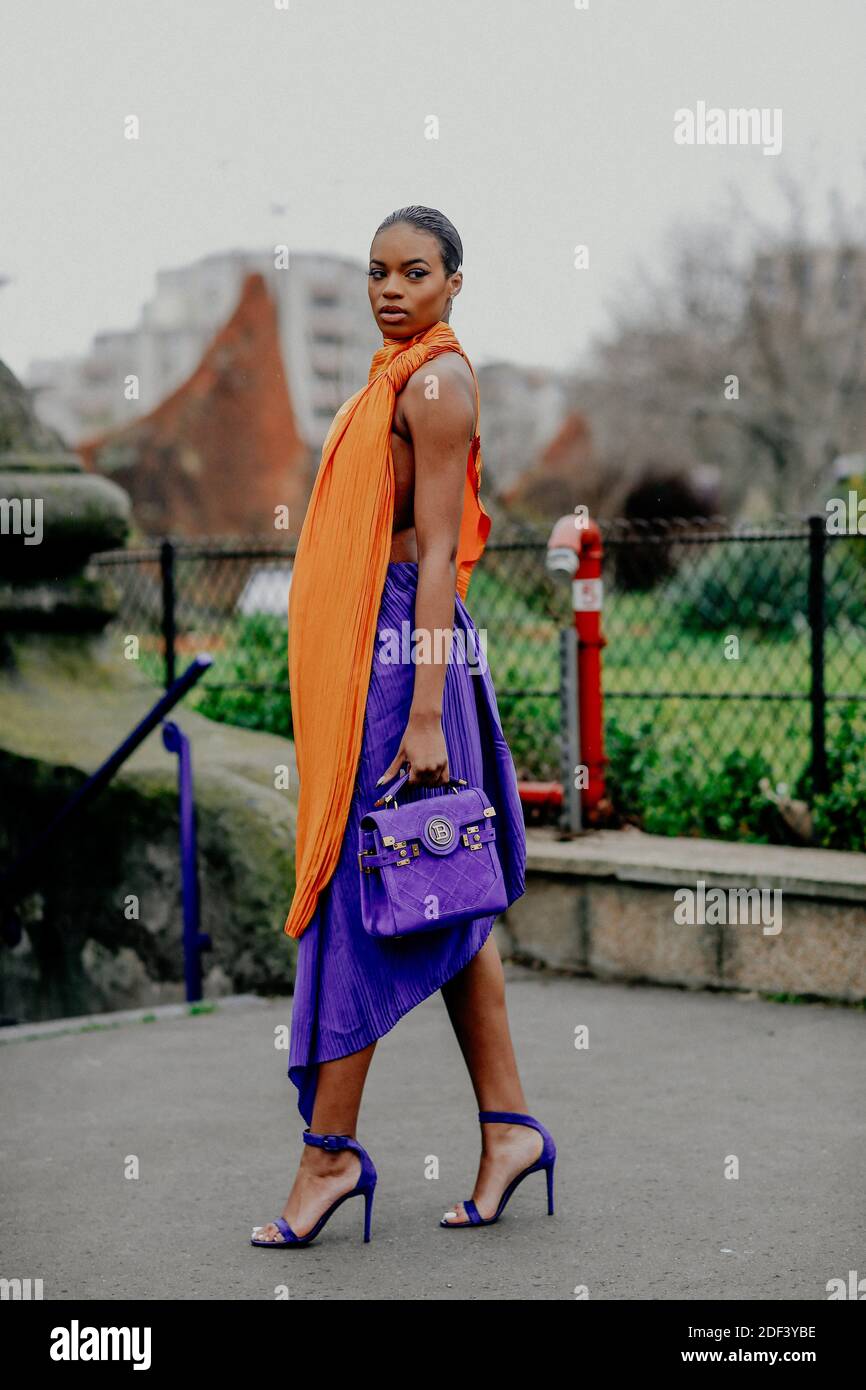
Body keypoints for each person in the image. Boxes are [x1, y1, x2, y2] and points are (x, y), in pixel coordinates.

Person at [251, 206, 555, 1247]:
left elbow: (433, 553)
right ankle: (509, 1127)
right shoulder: (392, 376)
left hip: (405, 657)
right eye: (375, 271)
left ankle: (328, 1154)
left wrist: (423, 709)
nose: (388, 288)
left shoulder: (436, 383)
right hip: (374, 654)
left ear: (453, 283)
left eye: (412, 272)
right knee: (437, 880)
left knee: (358, 889)